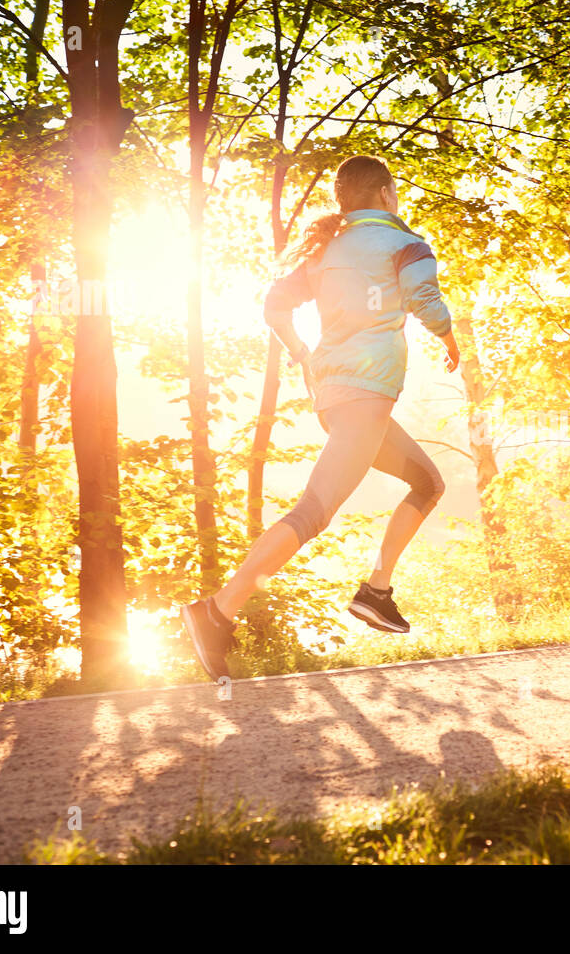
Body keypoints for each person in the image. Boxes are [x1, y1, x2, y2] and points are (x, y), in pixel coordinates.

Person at [181, 154, 460, 682]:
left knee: (427, 481)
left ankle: (377, 591)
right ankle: (216, 611)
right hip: (365, 397)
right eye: (393, 191)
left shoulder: (326, 248)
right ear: (384, 193)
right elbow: (424, 296)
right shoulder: (405, 243)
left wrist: (301, 350)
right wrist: (449, 338)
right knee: (314, 511)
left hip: (337, 397)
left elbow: (275, 306)